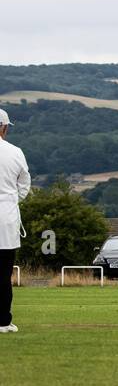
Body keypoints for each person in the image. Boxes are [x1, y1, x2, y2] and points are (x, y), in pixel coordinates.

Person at [0, 109, 32, 332]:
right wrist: (11, 201)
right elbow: (24, 186)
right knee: (3, 274)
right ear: (4, 127)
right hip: (6, 218)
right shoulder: (15, 152)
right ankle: (3, 320)